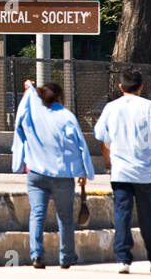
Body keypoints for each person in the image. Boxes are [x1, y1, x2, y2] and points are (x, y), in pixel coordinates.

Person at [93, 69, 151, 274]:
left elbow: (102, 138)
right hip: (144, 173)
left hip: (120, 172)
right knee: (147, 216)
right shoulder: (149, 107)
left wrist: (108, 163)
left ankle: (123, 258)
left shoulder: (111, 108)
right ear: (141, 86)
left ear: (120, 87)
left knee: (122, 214)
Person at [12, 79, 95, 269]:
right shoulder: (66, 116)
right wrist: (84, 172)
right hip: (62, 175)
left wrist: (29, 89)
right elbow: (79, 144)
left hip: (35, 174)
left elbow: (23, 113)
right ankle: (66, 257)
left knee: (37, 214)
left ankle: (36, 256)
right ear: (59, 97)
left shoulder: (33, 112)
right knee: (65, 217)